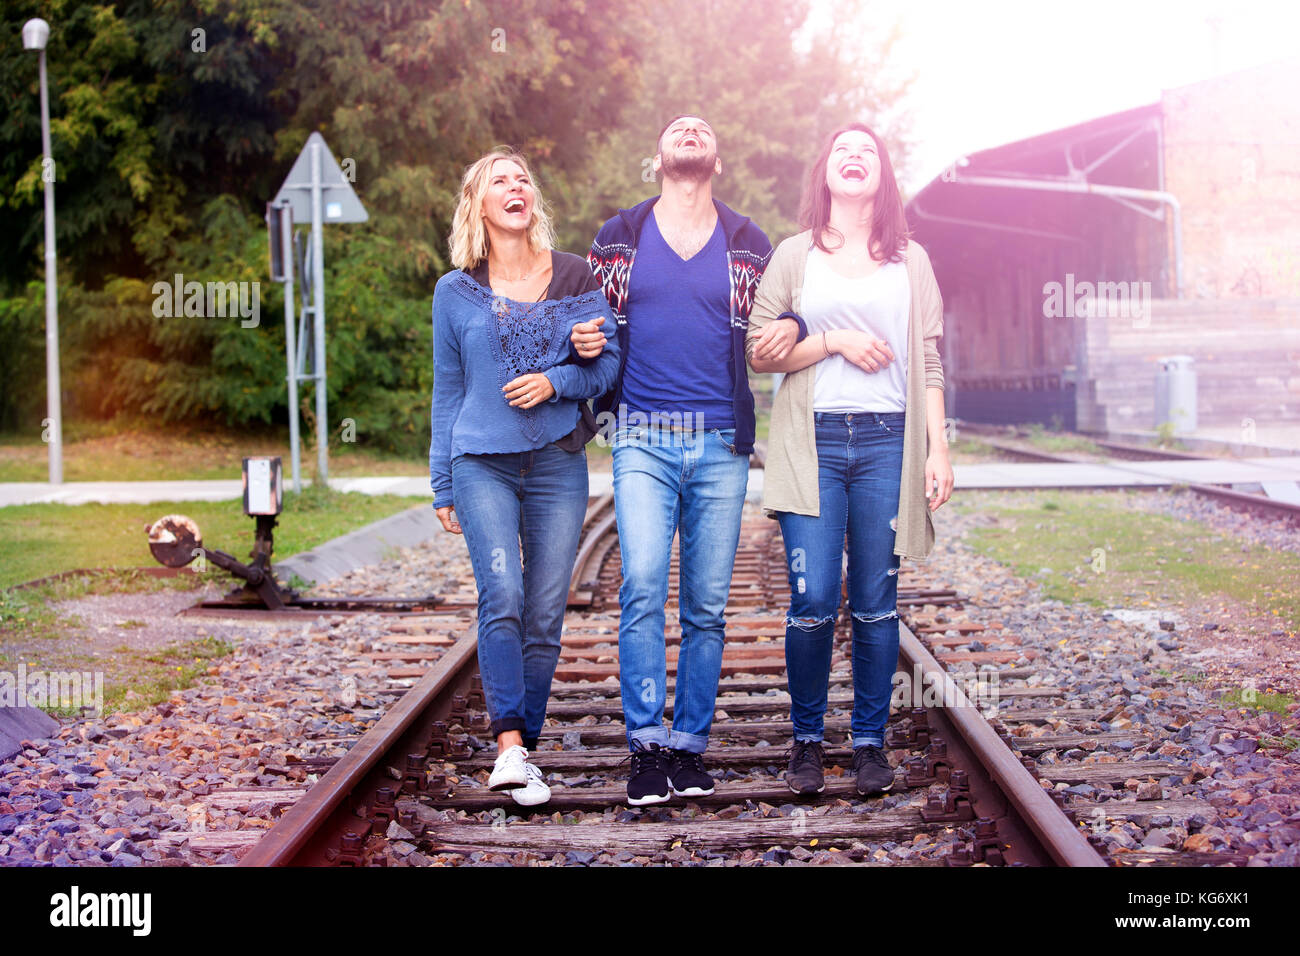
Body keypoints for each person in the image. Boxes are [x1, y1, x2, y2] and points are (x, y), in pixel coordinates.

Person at [581, 115, 802, 805]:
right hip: (641, 436)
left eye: (702, 128)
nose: (690, 132)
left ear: (716, 158)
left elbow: (787, 313)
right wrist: (582, 343)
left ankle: (690, 747)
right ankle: (647, 747)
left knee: (706, 606)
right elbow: (584, 319)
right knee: (643, 586)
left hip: (719, 444)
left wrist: (795, 326)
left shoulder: (747, 241)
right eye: (678, 128)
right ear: (659, 157)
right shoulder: (619, 236)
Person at [746, 122, 954, 797]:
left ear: (883, 175)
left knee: (873, 602)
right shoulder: (793, 256)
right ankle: (807, 741)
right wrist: (832, 340)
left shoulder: (910, 259)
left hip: (889, 442)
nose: (855, 156)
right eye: (843, 149)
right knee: (810, 599)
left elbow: (928, 358)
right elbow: (760, 350)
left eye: (868, 149)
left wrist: (938, 447)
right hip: (814, 441)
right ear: (825, 174)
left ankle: (869, 743)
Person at [429, 148, 620, 806]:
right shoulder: (455, 291)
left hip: (558, 461)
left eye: (523, 180)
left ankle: (524, 751)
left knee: (544, 610)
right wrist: (441, 485)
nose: (516, 187)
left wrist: (558, 379)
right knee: (502, 593)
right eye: (499, 181)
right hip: (480, 462)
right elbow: (447, 392)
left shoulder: (573, 276)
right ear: (478, 205)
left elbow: (607, 368)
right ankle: (508, 743)